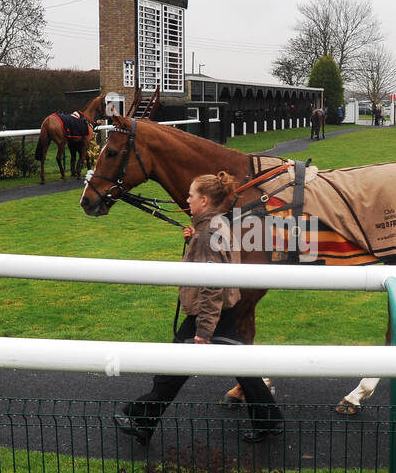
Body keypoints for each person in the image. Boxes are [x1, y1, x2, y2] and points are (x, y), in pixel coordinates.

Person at [113, 171, 283, 444]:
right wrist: (194, 237)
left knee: (173, 369)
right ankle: (268, 421)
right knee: (235, 367)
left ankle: (142, 417)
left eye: (191, 195)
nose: (187, 199)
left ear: (203, 200)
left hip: (207, 314)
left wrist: (204, 331)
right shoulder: (216, 225)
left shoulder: (208, 233)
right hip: (220, 310)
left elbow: (211, 284)